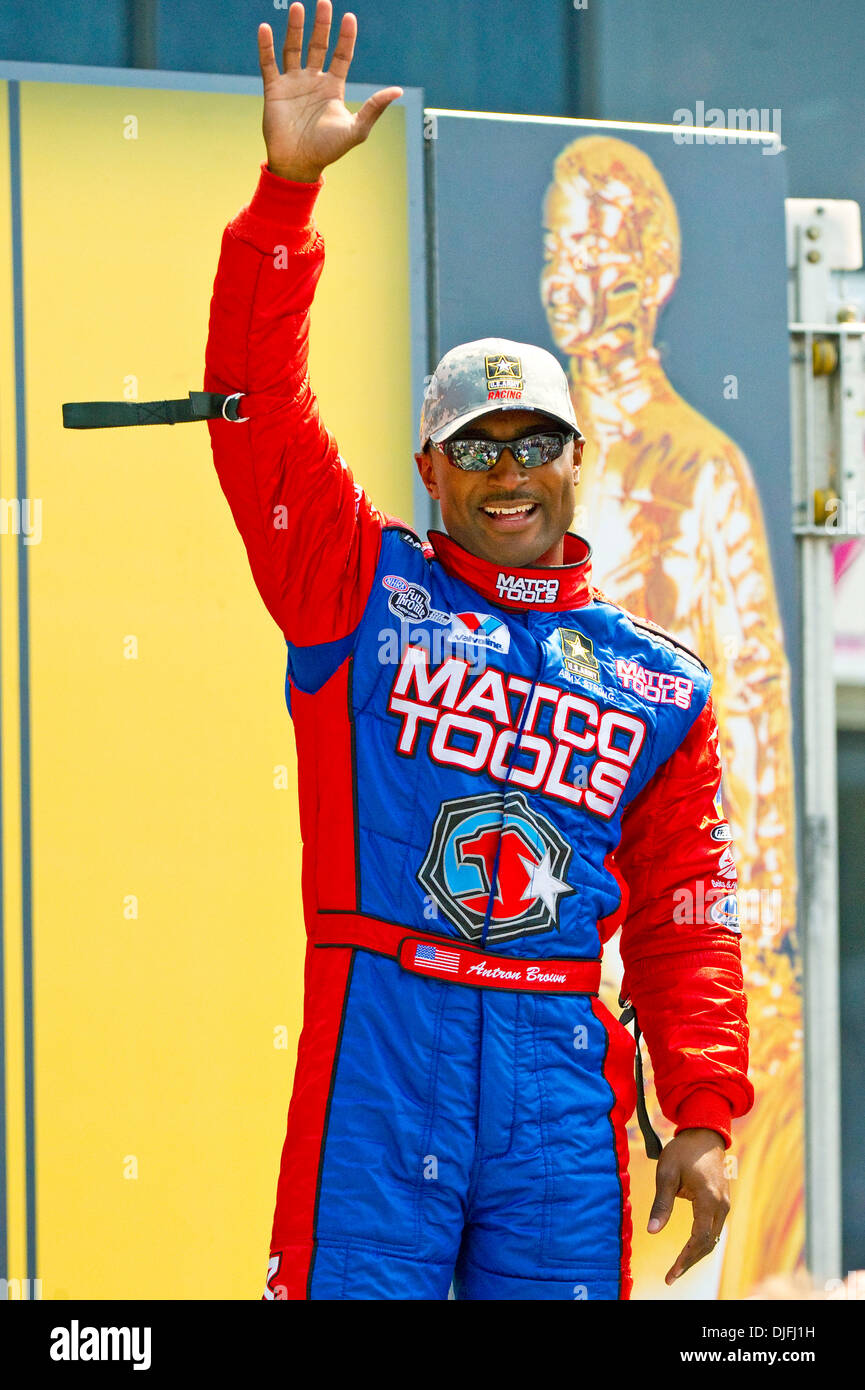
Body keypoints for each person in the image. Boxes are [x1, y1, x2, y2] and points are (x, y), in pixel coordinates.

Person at [203, 1, 753, 1301]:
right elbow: (253, 407)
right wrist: (284, 200)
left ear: (575, 461)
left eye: (531, 442)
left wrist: (707, 1107)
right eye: (475, 445)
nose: (505, 472)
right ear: (429, 470)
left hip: (558, 1067)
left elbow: (686, 910)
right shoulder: (354, 584)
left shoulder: (659, 682)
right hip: (379, 1041)